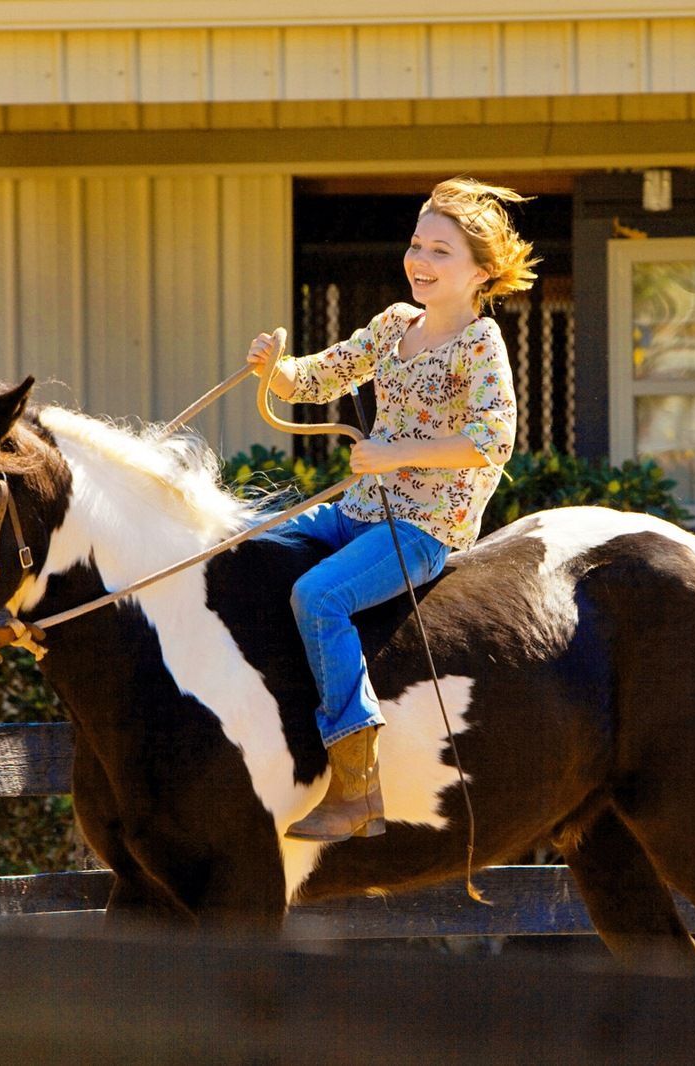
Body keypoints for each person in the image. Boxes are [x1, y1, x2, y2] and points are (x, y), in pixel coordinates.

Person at [247, 177, 536, 842]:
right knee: (253, 552)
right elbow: (316, 379)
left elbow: (493, 442)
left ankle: (356, 787)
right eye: (416, 245)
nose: (420, 261)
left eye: (441, 252)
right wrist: (273, 370)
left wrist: (393, 455)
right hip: (360, 508)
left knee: (319, 598)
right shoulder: (391, 326)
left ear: (481, 273)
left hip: (422, 529)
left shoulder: (479, 344)